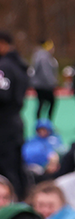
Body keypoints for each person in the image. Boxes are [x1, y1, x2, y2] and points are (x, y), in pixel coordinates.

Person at [0, 30, 32, 198]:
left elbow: (2, 94)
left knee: (7, 169)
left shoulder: (4, 66)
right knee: (16, 167)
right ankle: (21, 199)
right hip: (15, 122)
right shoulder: (20, 64)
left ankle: (11, 205)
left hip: (4, 126)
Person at [30, 38, 59, 122]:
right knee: (51, 102)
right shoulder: (44, 57)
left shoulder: (37, 55)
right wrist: (52, 83)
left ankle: (39, 122)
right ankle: (47, 122)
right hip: (45, 85)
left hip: (39, 85)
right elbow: (46, 72)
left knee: (41, 103)